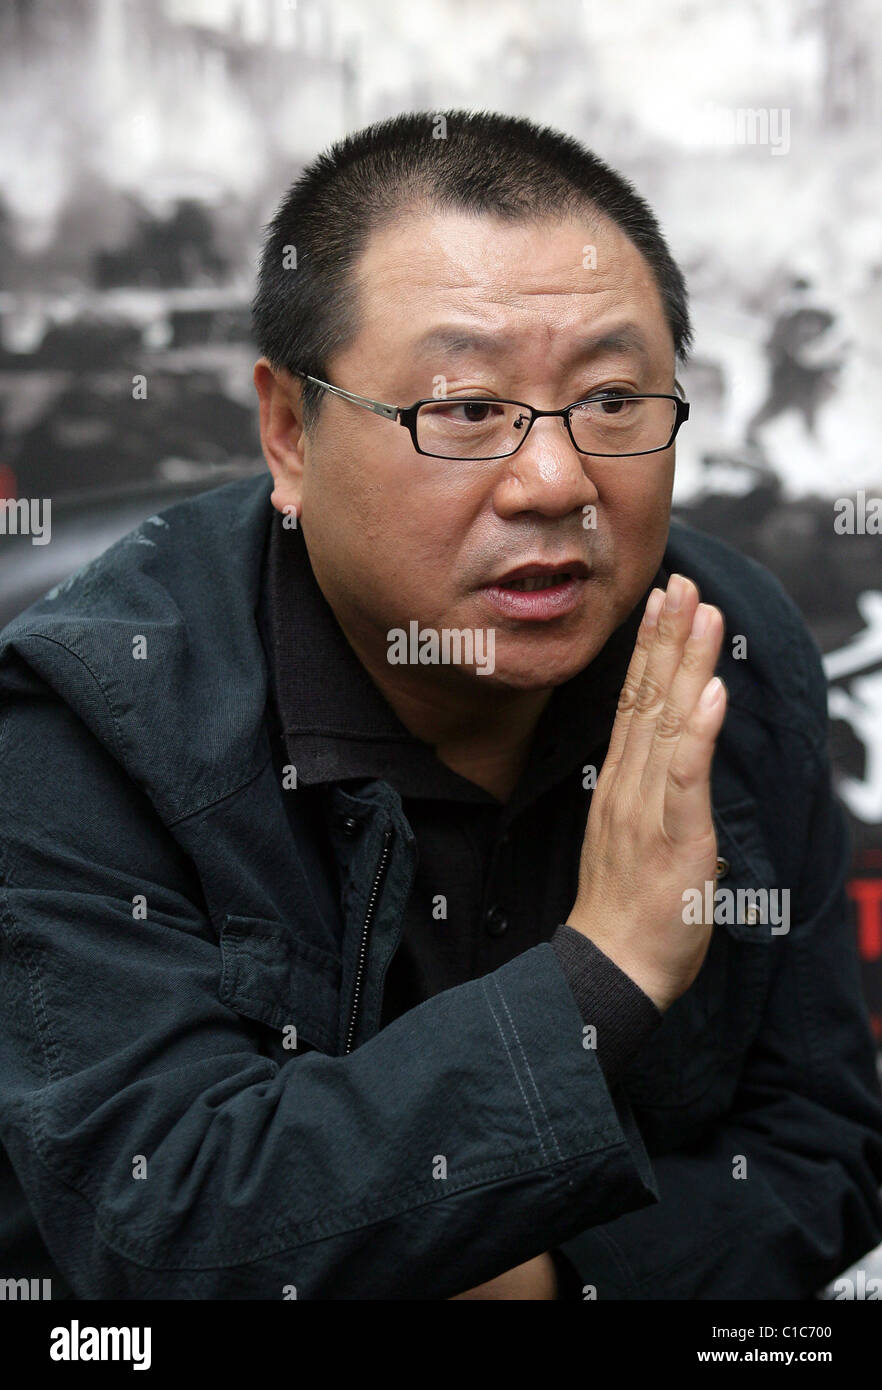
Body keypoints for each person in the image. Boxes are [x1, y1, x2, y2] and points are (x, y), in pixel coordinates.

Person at [1, 110, 880, 1300]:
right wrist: (606, 967)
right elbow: (161, 1225)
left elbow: (822, 1142)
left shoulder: (724, 642)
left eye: (615, 399)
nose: (560, 481)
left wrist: (553, 1278)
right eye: (465, 409)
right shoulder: (93, 714)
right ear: (287, 432)